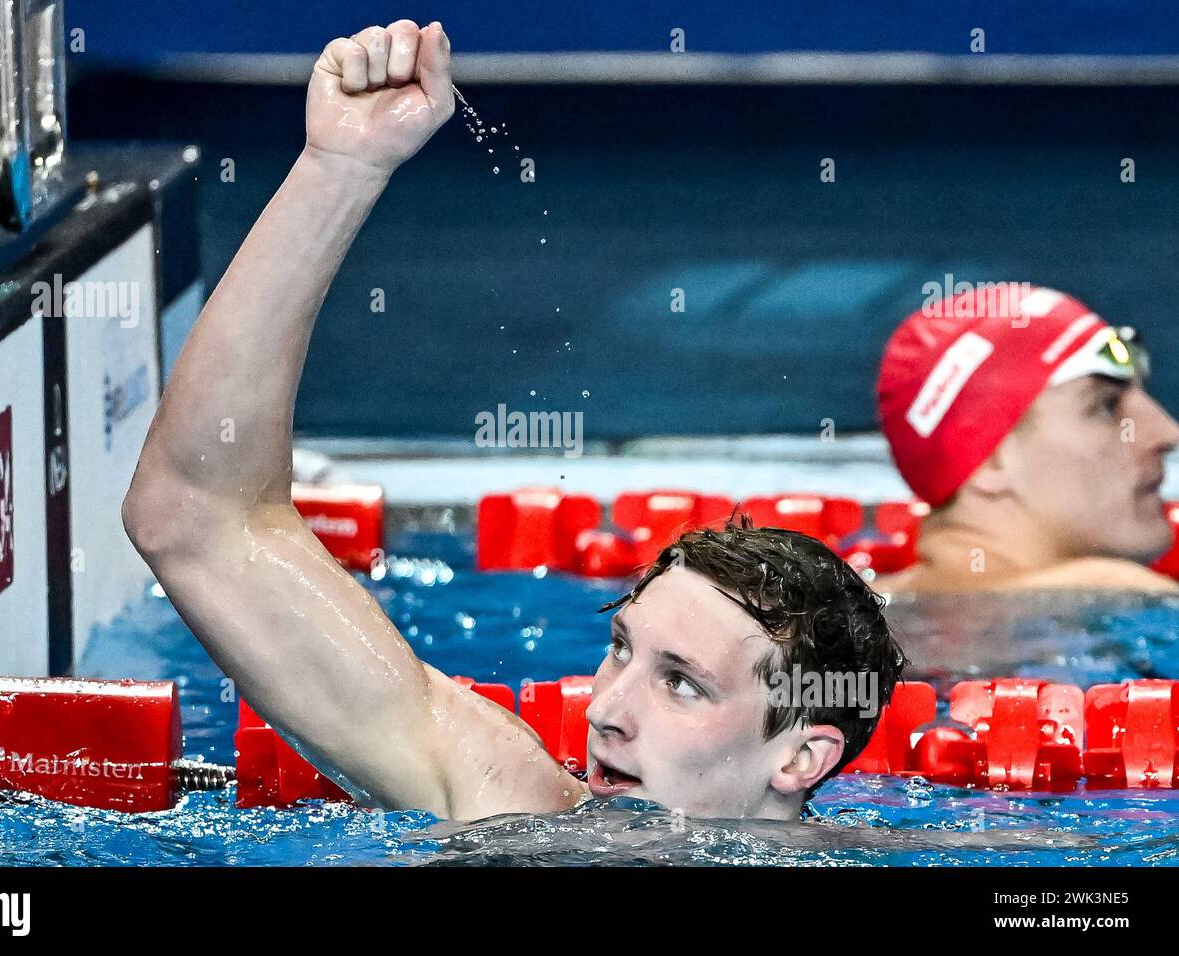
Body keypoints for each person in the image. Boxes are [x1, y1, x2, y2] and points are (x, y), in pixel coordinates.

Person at [121, 20, 905, 822]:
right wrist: (340, 167)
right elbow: (195, 515)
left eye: (681, 683)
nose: (605, 712)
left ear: (802, 757)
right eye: (621, 650)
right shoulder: (514, 806)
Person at [875, 283, 1179, 594]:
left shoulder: (850, 613)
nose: (1168, 432)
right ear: (989, 461)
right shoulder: (1119, 596)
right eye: (1106, 406)